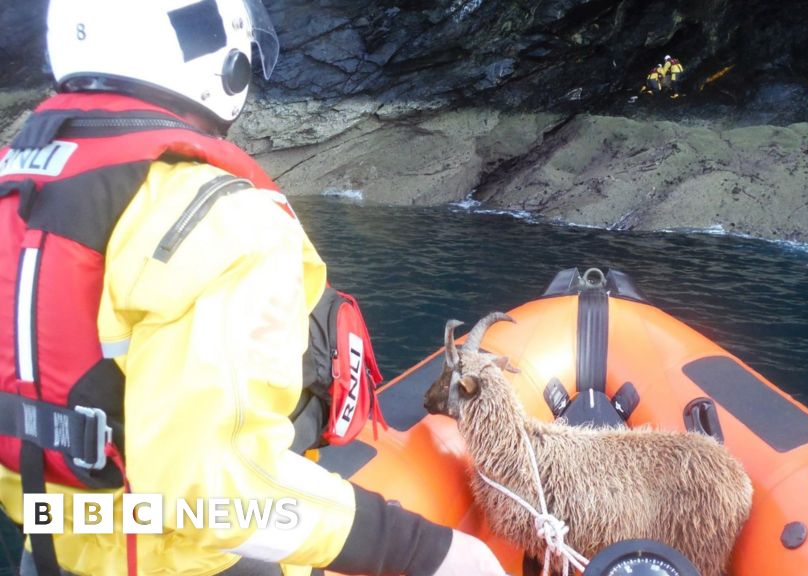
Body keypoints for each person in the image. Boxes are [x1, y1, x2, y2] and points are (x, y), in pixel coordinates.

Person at [0, 1, 506, 575]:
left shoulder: (17, 188)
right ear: (218, 60)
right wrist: (426, 551)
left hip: (52, 545)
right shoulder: (219, 219)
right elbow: (210, 488)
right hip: (187, 560)